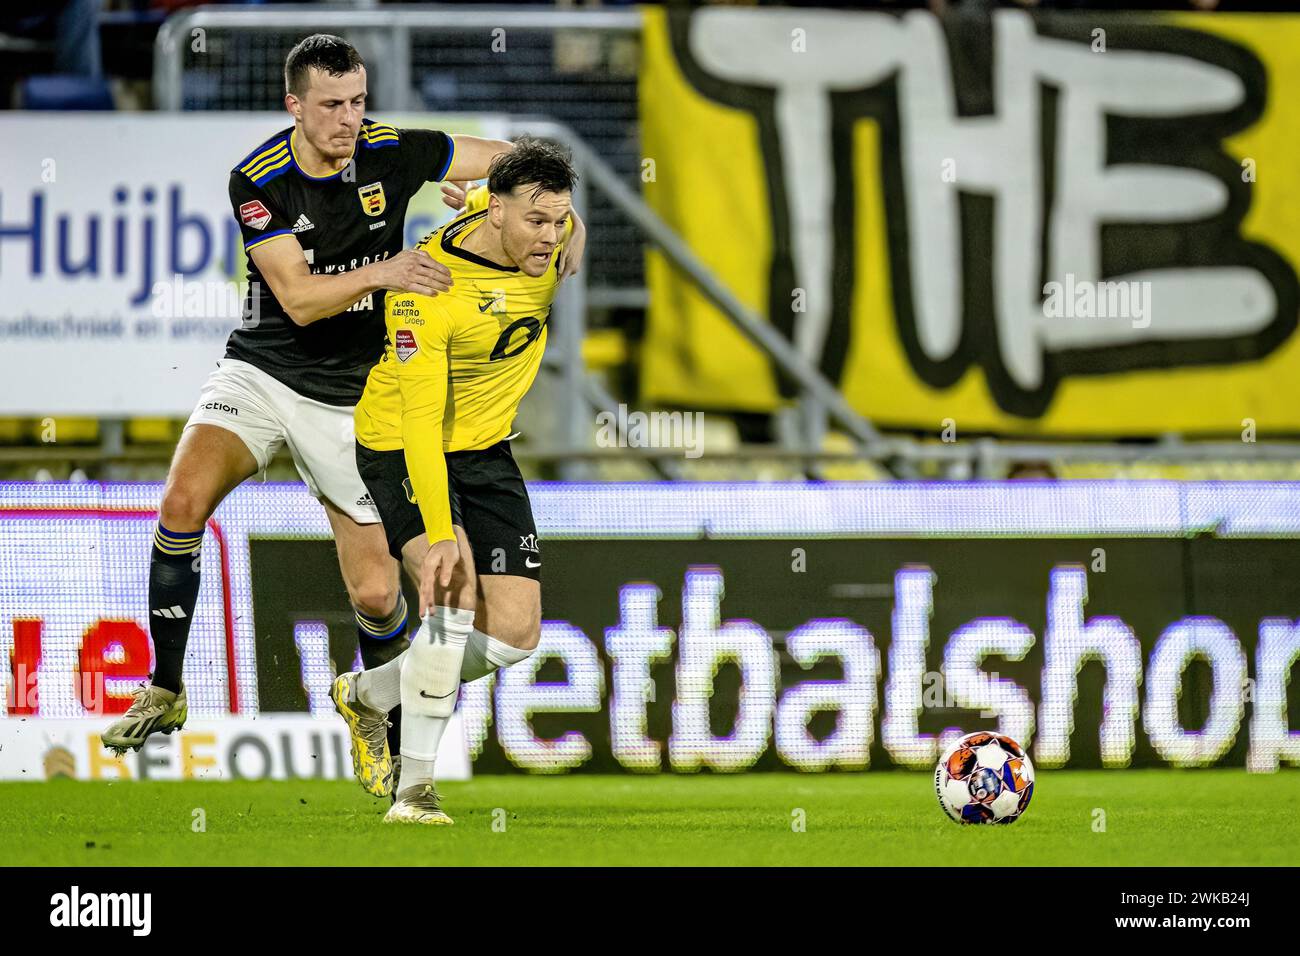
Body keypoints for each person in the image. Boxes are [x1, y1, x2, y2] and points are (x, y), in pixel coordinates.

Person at [100, 34, 514, 762]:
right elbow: (297, 300)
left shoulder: (393, 150)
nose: (349, 119)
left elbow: (513, 159)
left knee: (379, 596)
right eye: (331, 105)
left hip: (353, 400)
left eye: (357, 101)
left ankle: (373, 717)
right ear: (295, 105)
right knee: (179, 503)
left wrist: (486, 193)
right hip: (262, 373)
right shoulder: (258, 179)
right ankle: (164, 687)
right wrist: (385, 271)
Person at [333, 137, 583, 823]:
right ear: (499, 212)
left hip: (485, 449)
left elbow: (555, 224)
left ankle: (368, 693)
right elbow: (419, 419)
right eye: (537, 219)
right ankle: (413, 791)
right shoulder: (428, 290)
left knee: (514, 636)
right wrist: (439, 534)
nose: (552, 236)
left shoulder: (547, 243)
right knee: (452, 594)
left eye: (559, 219)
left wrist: (510, 208)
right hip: (401, 444)